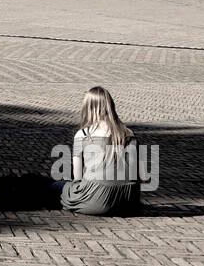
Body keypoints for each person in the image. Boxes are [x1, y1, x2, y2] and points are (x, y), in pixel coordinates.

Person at [54, 86, 142, 216]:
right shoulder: (129, 134)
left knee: (56, 187)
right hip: (128, 202)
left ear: (88, 108)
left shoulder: (83, 134)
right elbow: (141, 177)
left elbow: (77, 176)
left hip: (96, 200)